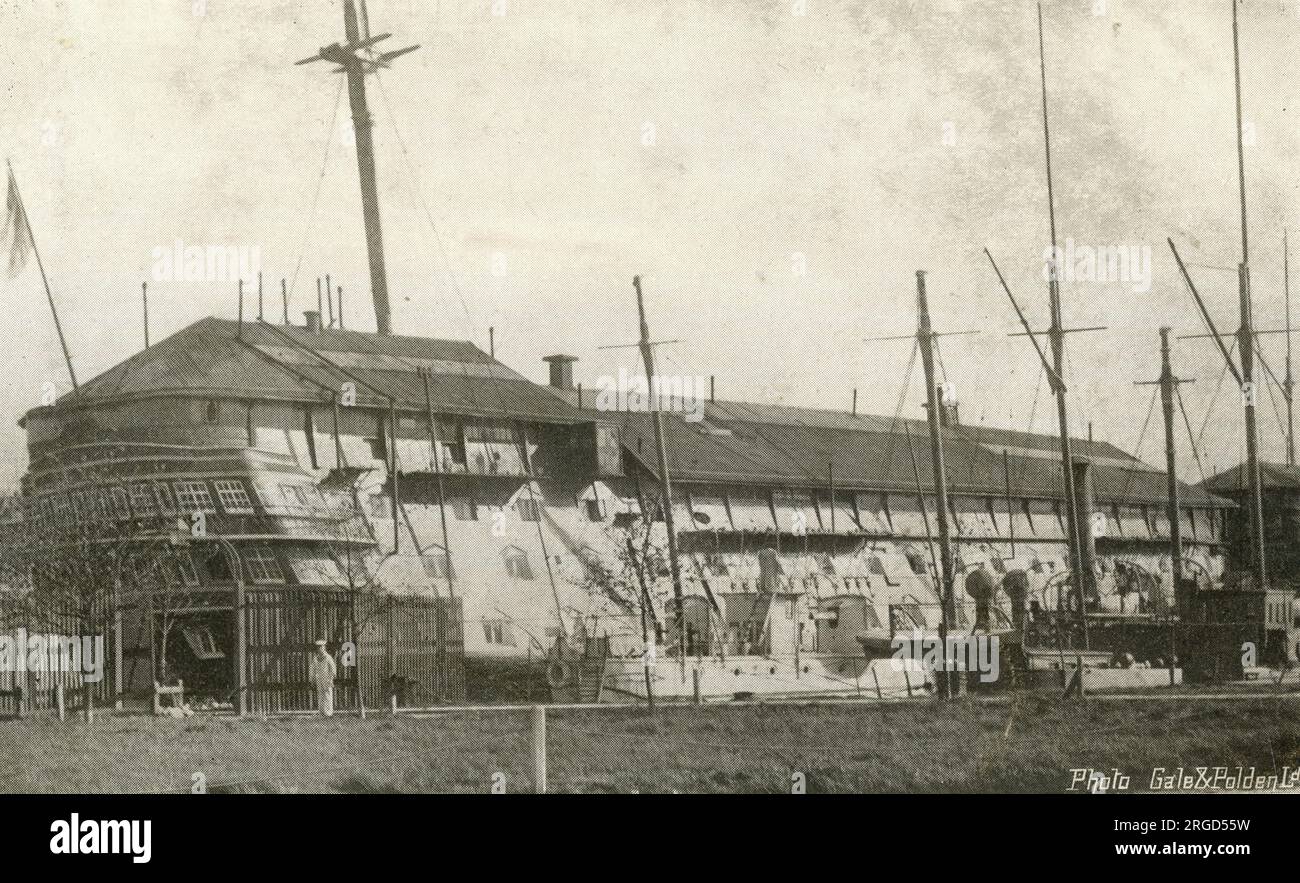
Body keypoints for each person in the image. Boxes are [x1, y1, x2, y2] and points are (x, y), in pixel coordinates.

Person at [308, 639, 337, 717]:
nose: (320, 649)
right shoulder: (316, 658)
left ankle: (328, 712)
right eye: (318, 647)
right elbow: (312, 669)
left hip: (327, 679)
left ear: (324, 647)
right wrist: (312, 679)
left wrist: (331, 679)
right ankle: (321, 712)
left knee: (327, 695)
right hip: (319, 679)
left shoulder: (328, 657)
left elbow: (333, 669)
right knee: (320, 695)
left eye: (321, 647)